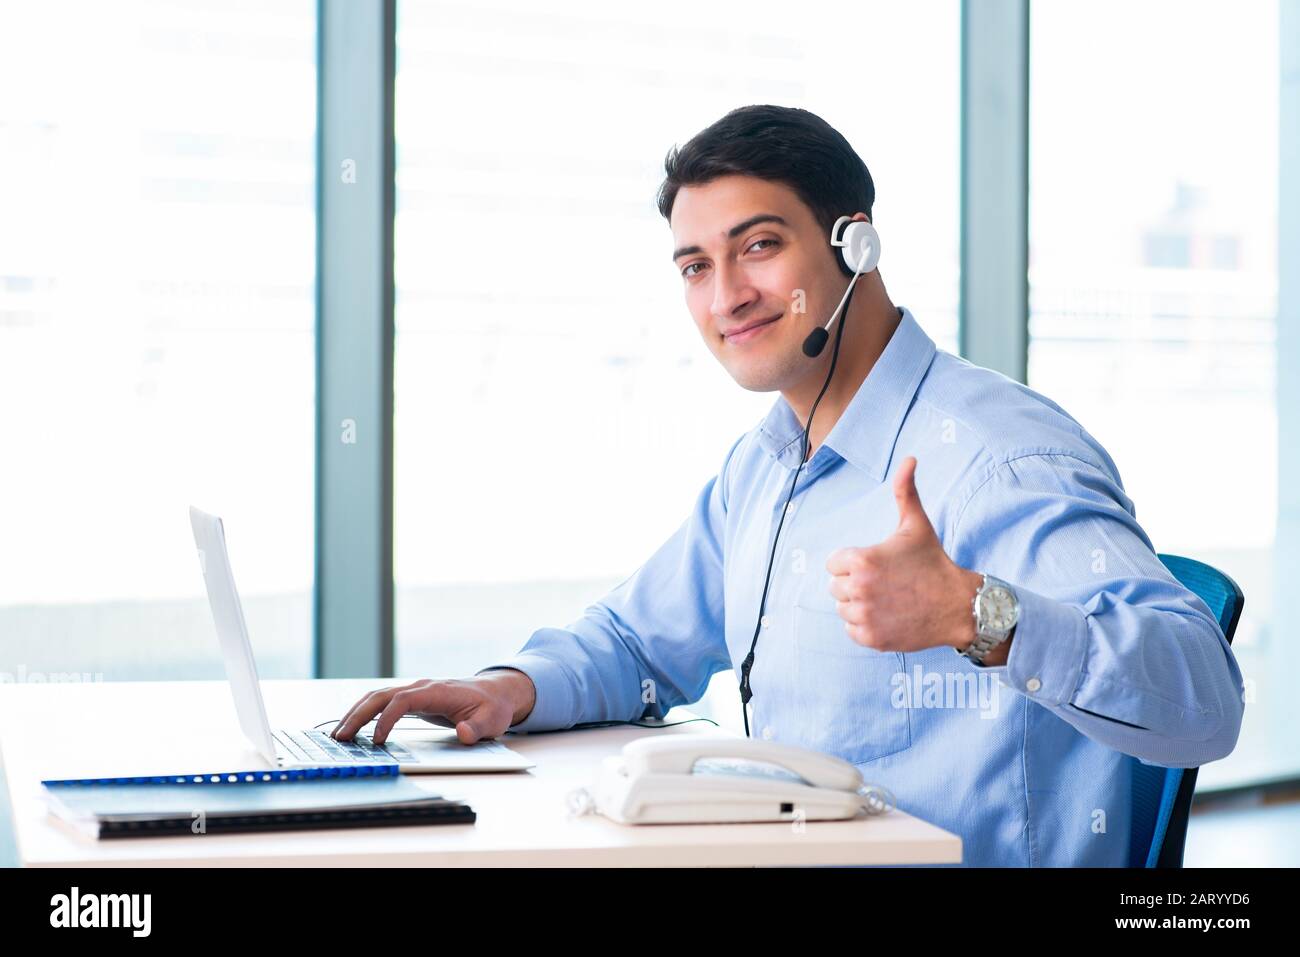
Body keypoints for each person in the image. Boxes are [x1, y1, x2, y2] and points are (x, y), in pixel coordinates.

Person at [332, 104, 1244, 866]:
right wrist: (510, 687)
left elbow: (1204, 692)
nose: (726, 294)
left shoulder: (997, 456)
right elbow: (636, 638)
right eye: (696, 266)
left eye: (757, 246)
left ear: (857, 246)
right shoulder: (770, 463)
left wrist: (976, 611)